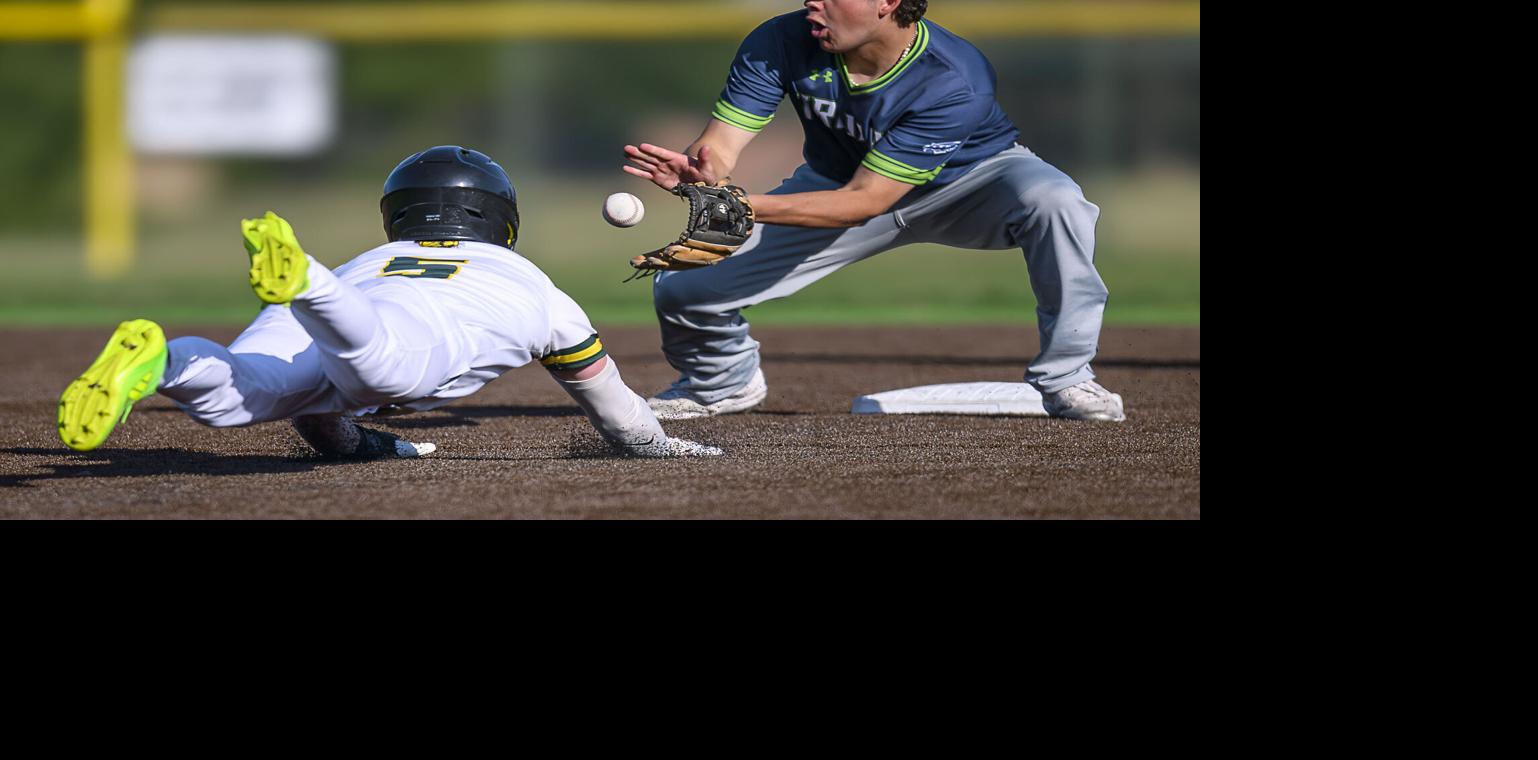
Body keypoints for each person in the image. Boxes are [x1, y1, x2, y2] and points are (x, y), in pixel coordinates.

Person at [623, 0, 1125, 422]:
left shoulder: (953, 77)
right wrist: (706, 174)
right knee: (686, 284)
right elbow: (723, 145)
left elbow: (867, 202)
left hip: (972, 183)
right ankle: (721, 381)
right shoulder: (780, 39)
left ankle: (1067, 378)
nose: (811, 3)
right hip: (838, 183)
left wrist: (739, 207)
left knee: (1056, 201)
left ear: (887, 2)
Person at [57, 146, 721, 460]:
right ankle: (303, 278)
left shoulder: (370, 256)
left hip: (349, 290)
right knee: (380, 365)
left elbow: (321, 415)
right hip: (363, 310)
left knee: (240, 396)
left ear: (396, 214)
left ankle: (163, 363)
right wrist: (657, 446)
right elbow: (618, 415)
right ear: (499, 217)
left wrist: (376, 446)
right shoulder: (541, 292)